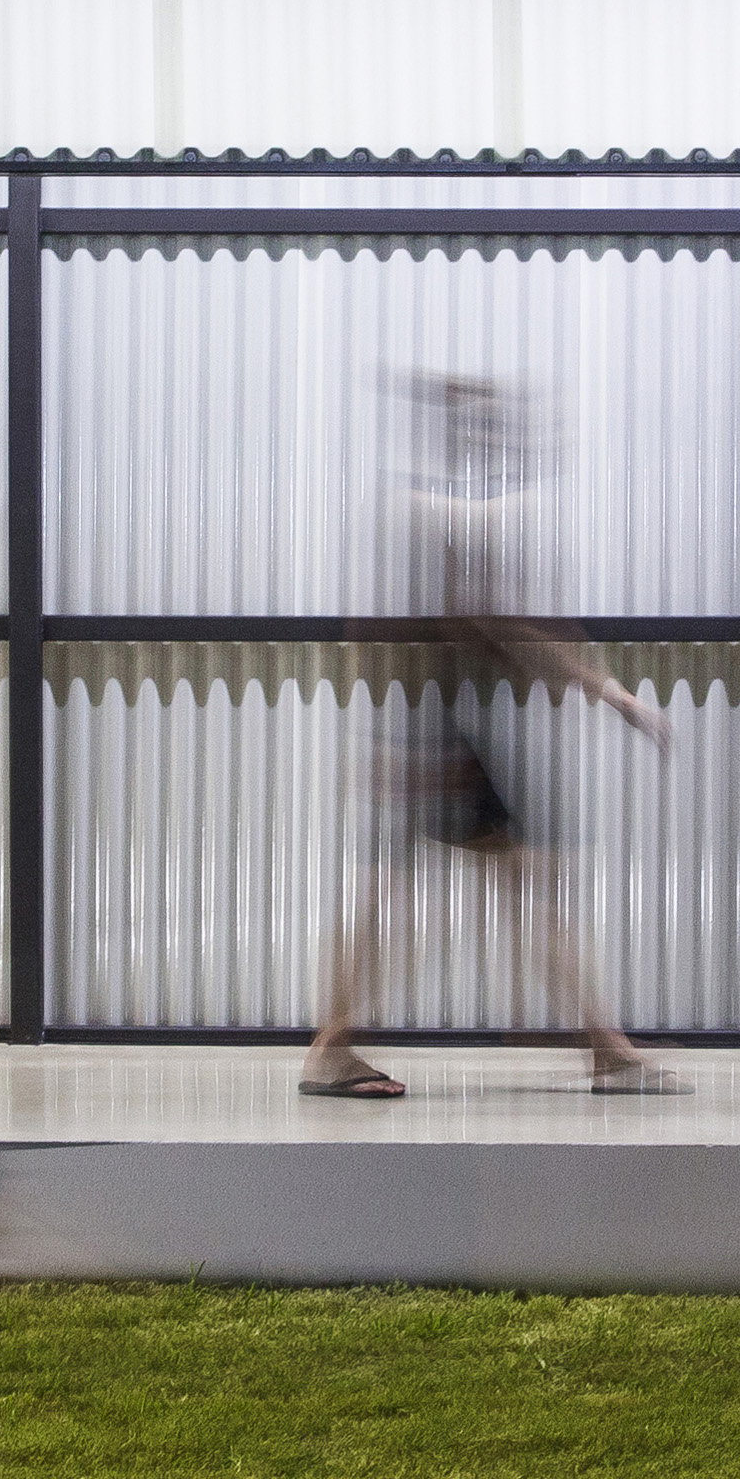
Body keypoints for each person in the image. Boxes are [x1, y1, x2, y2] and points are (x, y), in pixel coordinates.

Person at [300, 370, 682, 1100]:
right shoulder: (431, 517)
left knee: (494, 884)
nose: (507, 445)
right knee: (480, 887)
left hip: (428, 732)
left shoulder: (428, 513)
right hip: (427, 736)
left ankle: (603, 1047)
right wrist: (607, 689)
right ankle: (332, 1046)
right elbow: (486, 624)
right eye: (493, 429)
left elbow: (474, 625)